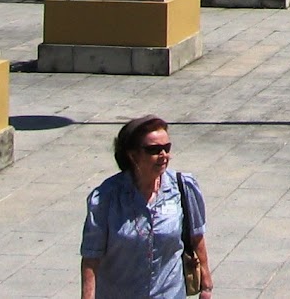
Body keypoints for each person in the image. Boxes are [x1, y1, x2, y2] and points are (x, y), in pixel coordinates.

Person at [81, 115, 212, 299]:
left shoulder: (183, 188)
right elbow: (91, 257)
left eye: (167, 148)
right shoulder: (106, 197)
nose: (164, 155)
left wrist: (206, 286)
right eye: (154, 150)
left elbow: (196, 236)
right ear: (133, 155)